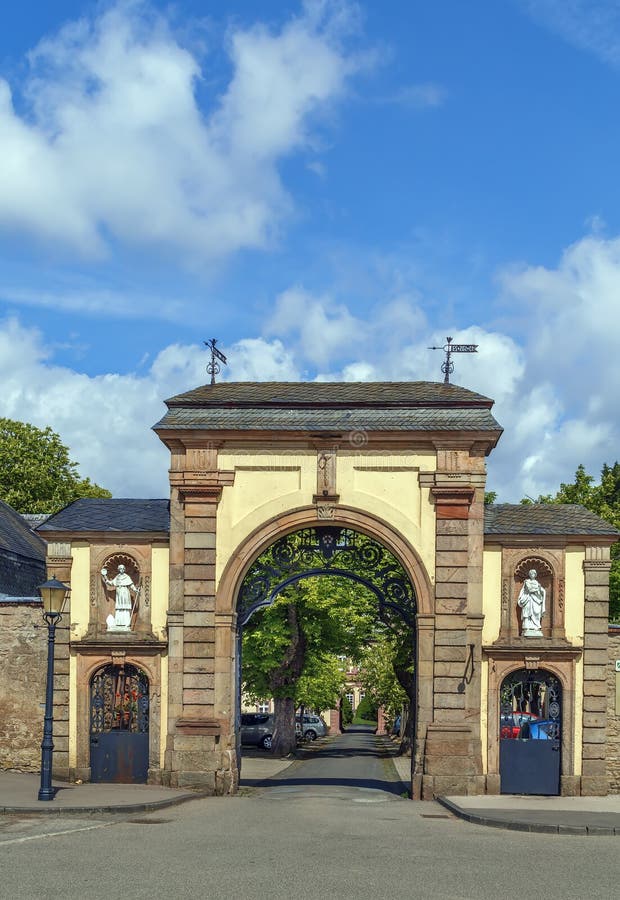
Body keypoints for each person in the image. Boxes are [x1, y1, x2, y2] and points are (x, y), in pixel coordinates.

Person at [101, 564, 139, 631]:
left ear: (124, 569)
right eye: (120, 568)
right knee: (119, 607)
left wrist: (136, 590)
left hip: (125, 592)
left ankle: (126, 623)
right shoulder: (117, 577)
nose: (121, 570)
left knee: (125, 607)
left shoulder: (127, 577)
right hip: (119, 593)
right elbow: (111, 583)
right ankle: (118, 623)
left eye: (122, 568)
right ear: (118, 569)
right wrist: (105, 576)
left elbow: (131, 585)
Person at [517, 568, 546, 636]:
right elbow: (529, 589)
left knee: (536, 613)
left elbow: (542, 590)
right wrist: (537, 590)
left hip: (536, 601)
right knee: (527, 613)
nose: (532, 575)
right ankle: (527, 628)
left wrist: (541, 590)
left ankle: (536, 628)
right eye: (531, 573)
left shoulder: (537, 583)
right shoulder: (527, 581)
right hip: (528, 599)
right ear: (529, 574)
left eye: (534, 573)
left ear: (535, 575)